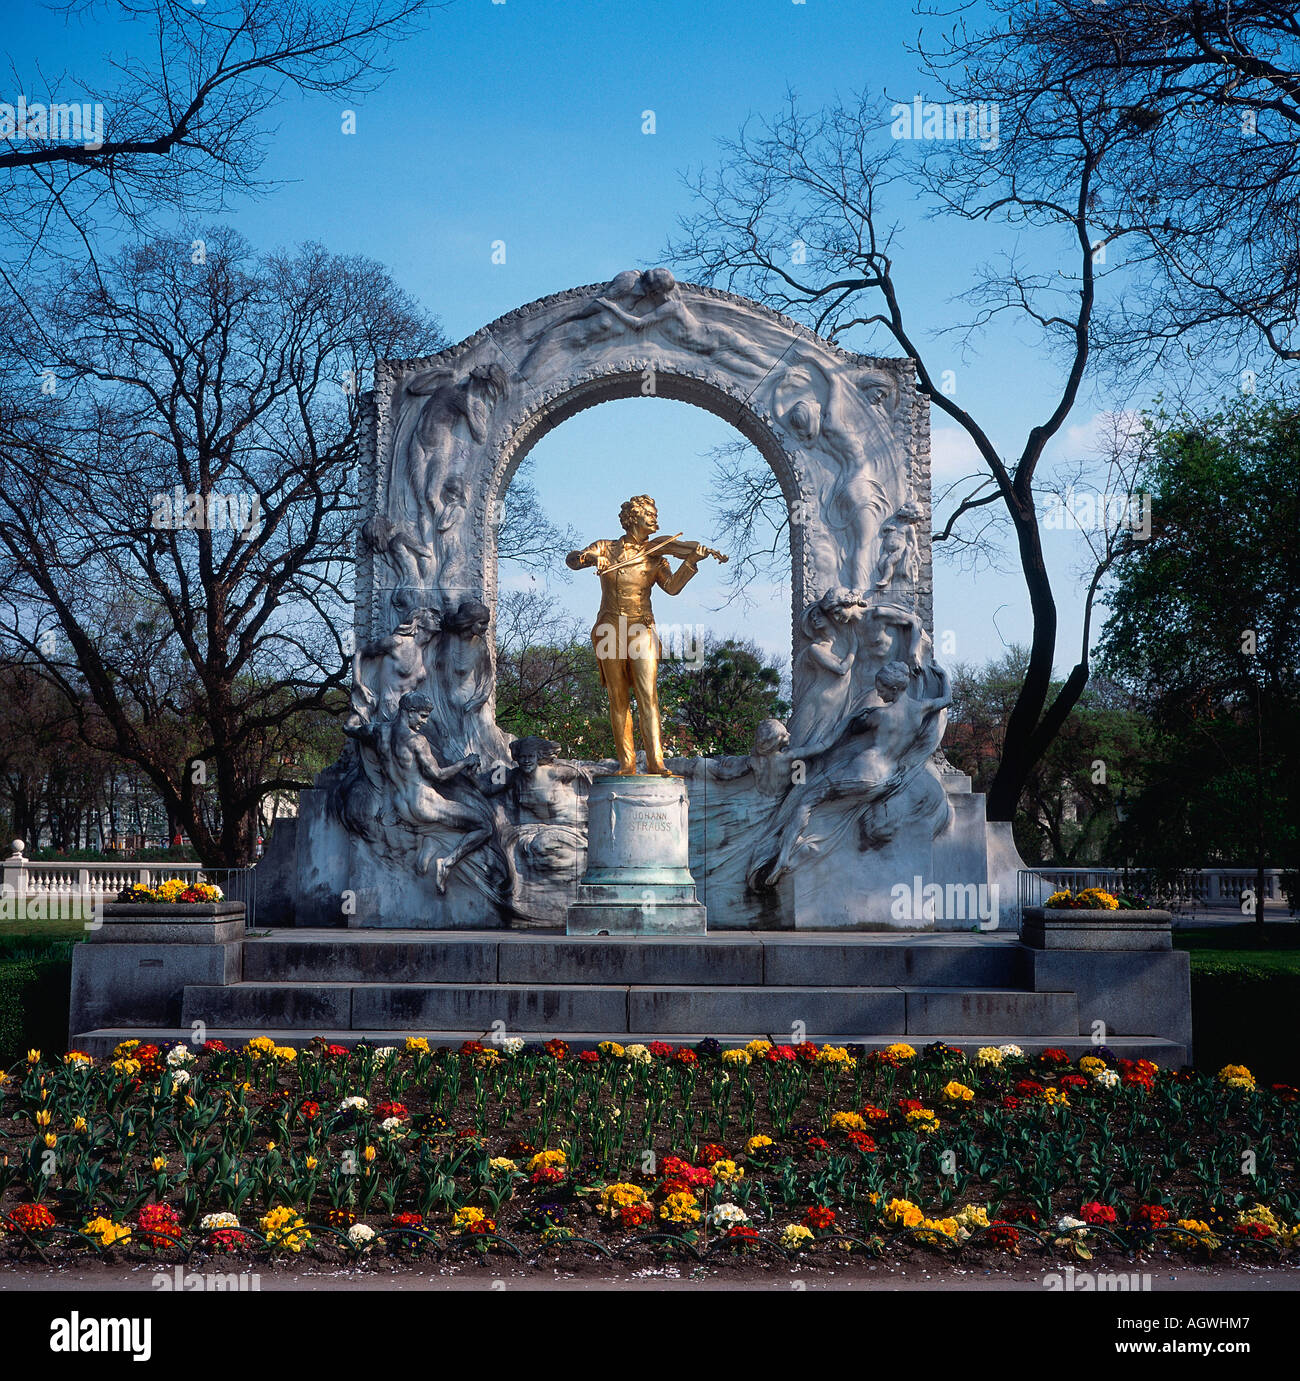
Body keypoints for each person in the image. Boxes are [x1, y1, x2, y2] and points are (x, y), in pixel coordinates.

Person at [566, 495, 724, 775]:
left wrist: (690, 562)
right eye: (649, 514)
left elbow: (673, 588)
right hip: (609, 628)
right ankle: (626, 764)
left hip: (642, 627)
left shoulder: (657, 555)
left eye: (655, 514)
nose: (655, 518)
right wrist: (585, 556)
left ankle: (656, 762)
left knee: (648, 694)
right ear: (633, 518)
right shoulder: (606, 548)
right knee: (617, 696)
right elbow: (573, 561)